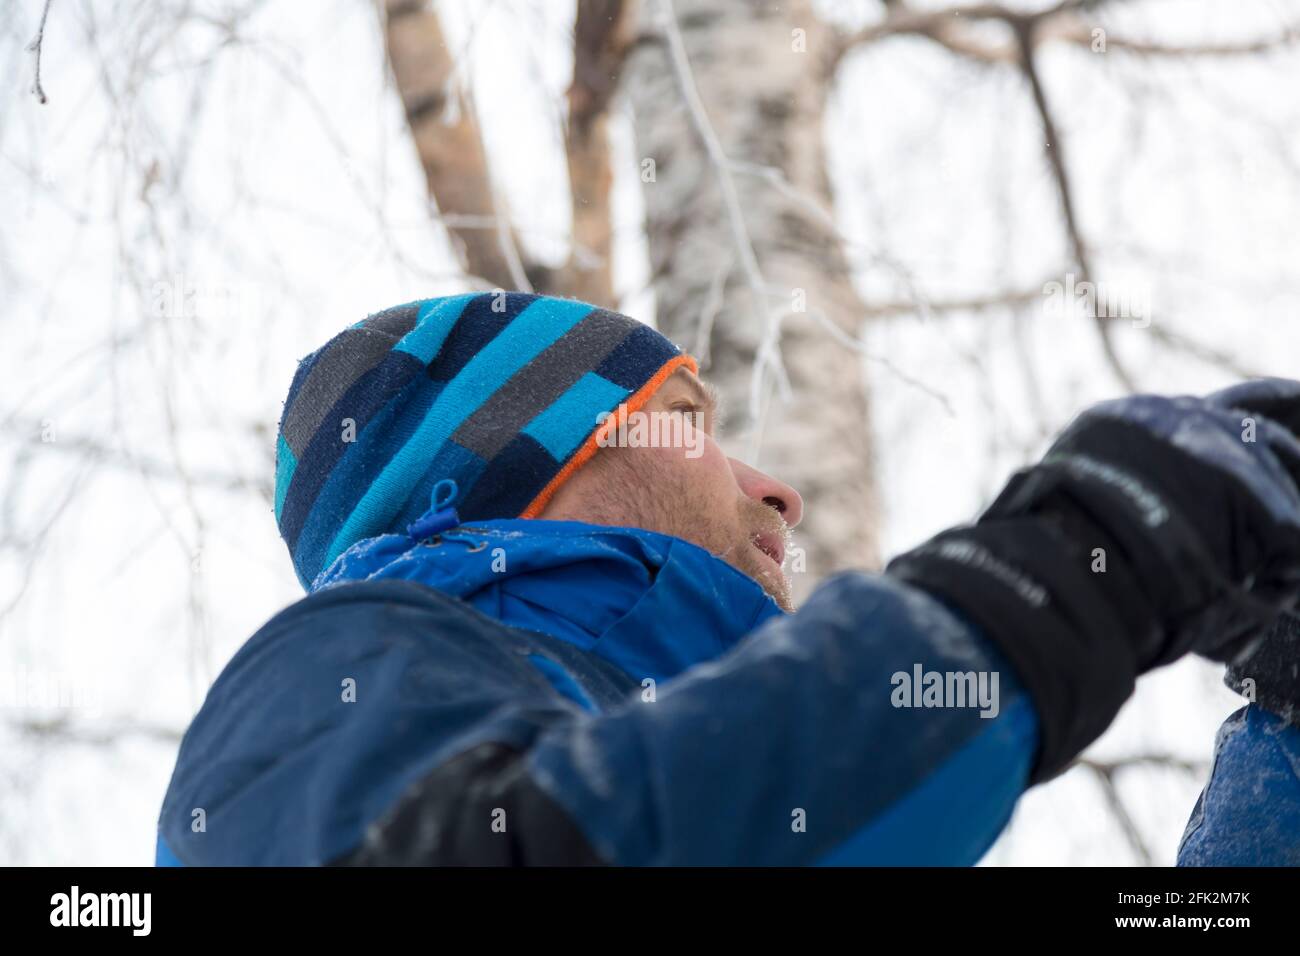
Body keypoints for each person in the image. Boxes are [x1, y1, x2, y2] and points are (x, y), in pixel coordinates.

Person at [155, 292, 1300, 865]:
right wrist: (1071, 568)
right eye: (691, 420)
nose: (777, 493)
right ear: (535, 462)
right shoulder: (335, 668)